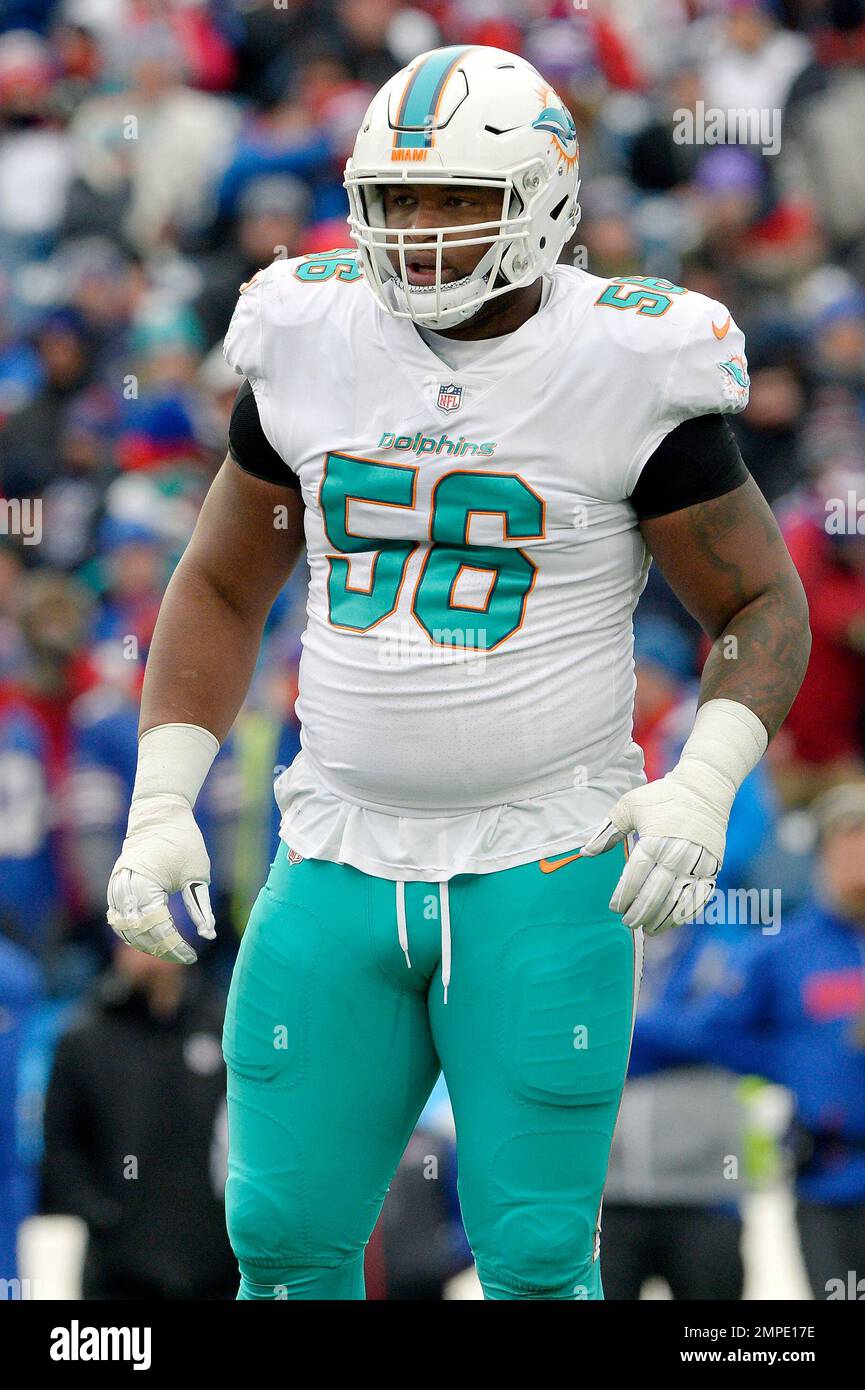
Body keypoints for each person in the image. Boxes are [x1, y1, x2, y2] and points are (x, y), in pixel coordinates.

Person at [106, 45, 810, 1300]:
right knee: (276, 1239)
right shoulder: (308, 334)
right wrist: (163, 800)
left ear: (544, 199)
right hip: (334, 852)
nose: (420, 233)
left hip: (544, 860)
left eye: (457, 201)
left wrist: (704, 781)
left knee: (537, 1262)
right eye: (398, 199)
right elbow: (222, 580)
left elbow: (759, 599)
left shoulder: (628, 360)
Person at [632, 782, 865, 1300]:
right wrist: (791, 1063)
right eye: (845, 841)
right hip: (833, 1179)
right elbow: (708, 1031)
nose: (856, 856)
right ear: (823, 854)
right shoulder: (785, 951)